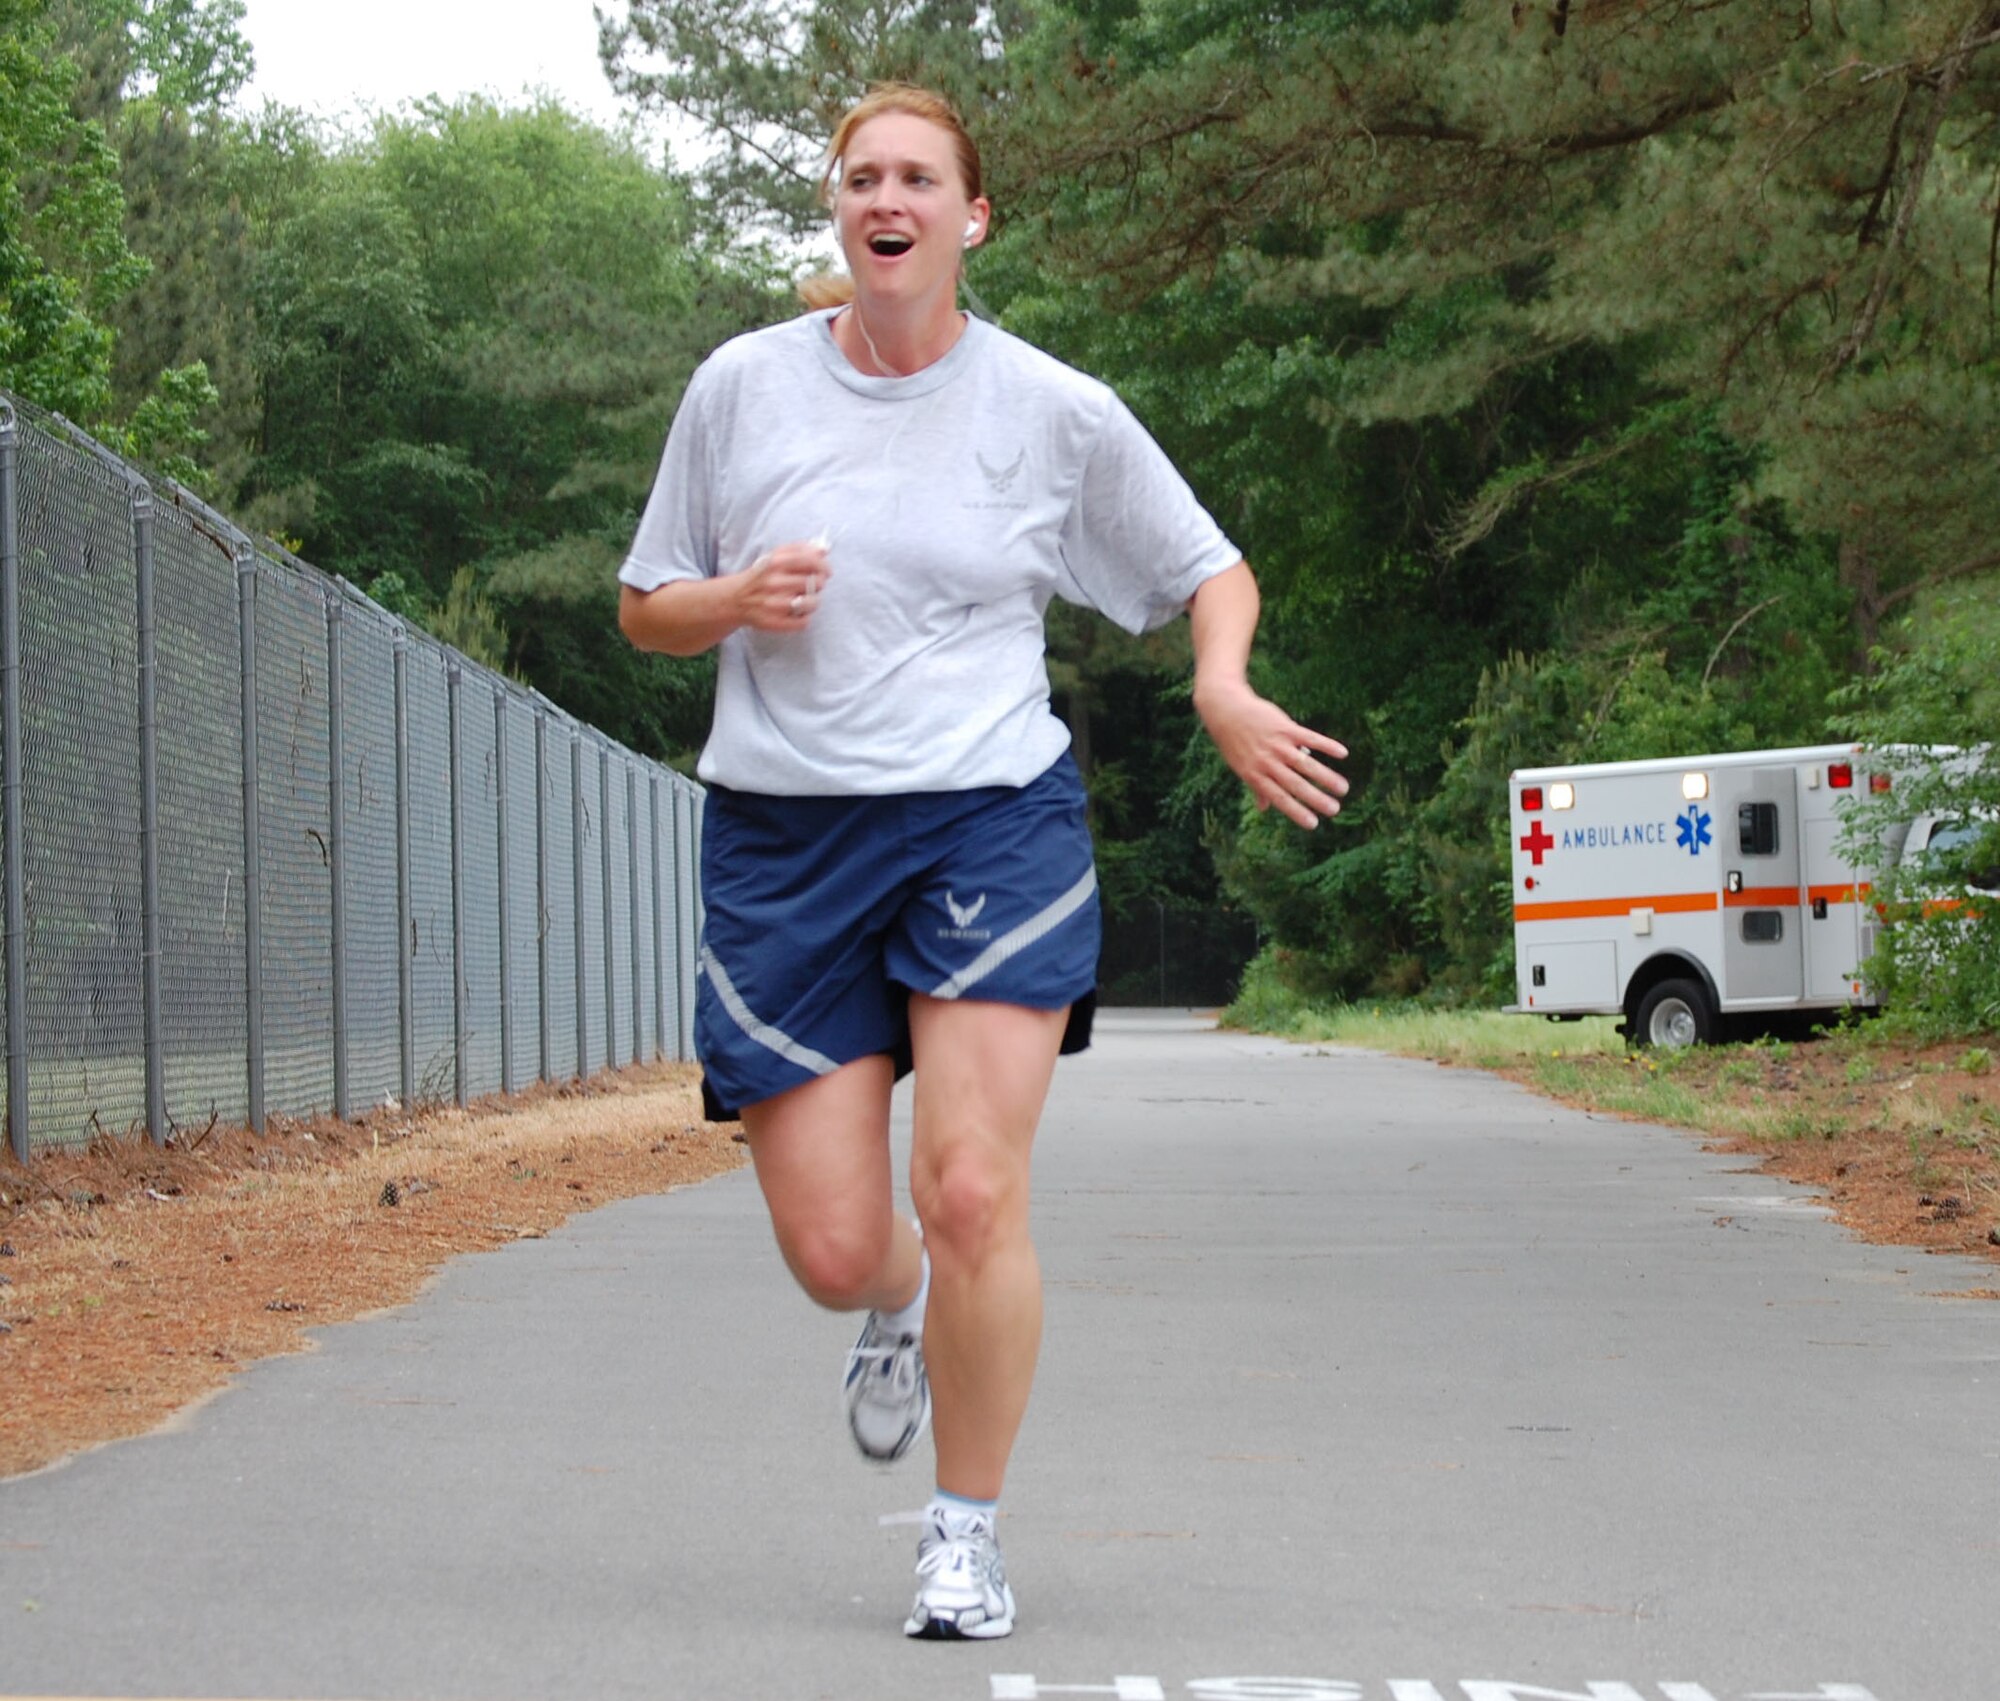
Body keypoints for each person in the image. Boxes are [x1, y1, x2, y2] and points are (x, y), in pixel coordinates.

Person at [616, 82, 1348, 1641]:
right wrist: (736, 597)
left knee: (965, 1184)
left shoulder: (1051, 408)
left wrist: (1220, 682)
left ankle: (963, 1529)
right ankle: (892, 1309)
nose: (889, 199)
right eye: (863, 177)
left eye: (920, 178)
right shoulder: (741, 391)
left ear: (971, 216)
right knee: (834, 1244)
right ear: (841, 212)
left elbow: (1211, 564)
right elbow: (644, 604)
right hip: (785, 832)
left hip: (987, 814)